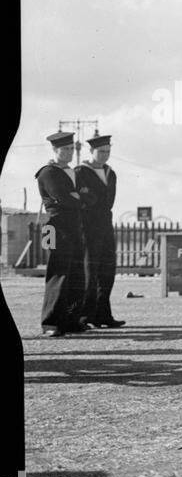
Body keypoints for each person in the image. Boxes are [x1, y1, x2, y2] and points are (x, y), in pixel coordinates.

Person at [35, 131, 87, 337]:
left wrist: (78, 197)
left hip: (73, 225)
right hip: (54, 226)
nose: (68, 152)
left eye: (71, 149)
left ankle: (71, 320)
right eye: (64, 149)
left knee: (76, 274)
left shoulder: (72, 172)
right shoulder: (47, 172)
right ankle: (51, 323)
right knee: (58, 273)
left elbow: (85, 197)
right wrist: (78, 197)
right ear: (54, 150)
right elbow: (64, 198)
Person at [76, 133, 124, 328]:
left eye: (108, 152)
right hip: (87, 227)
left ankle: (103, 314)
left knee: (107, 270)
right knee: (90, 271)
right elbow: (81, 200)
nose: (105, 155)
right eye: (101, 152)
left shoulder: (110, 173)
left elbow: (109, 201)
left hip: (105, 225)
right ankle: (85, 316)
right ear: (91, 151)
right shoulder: (80, 172)